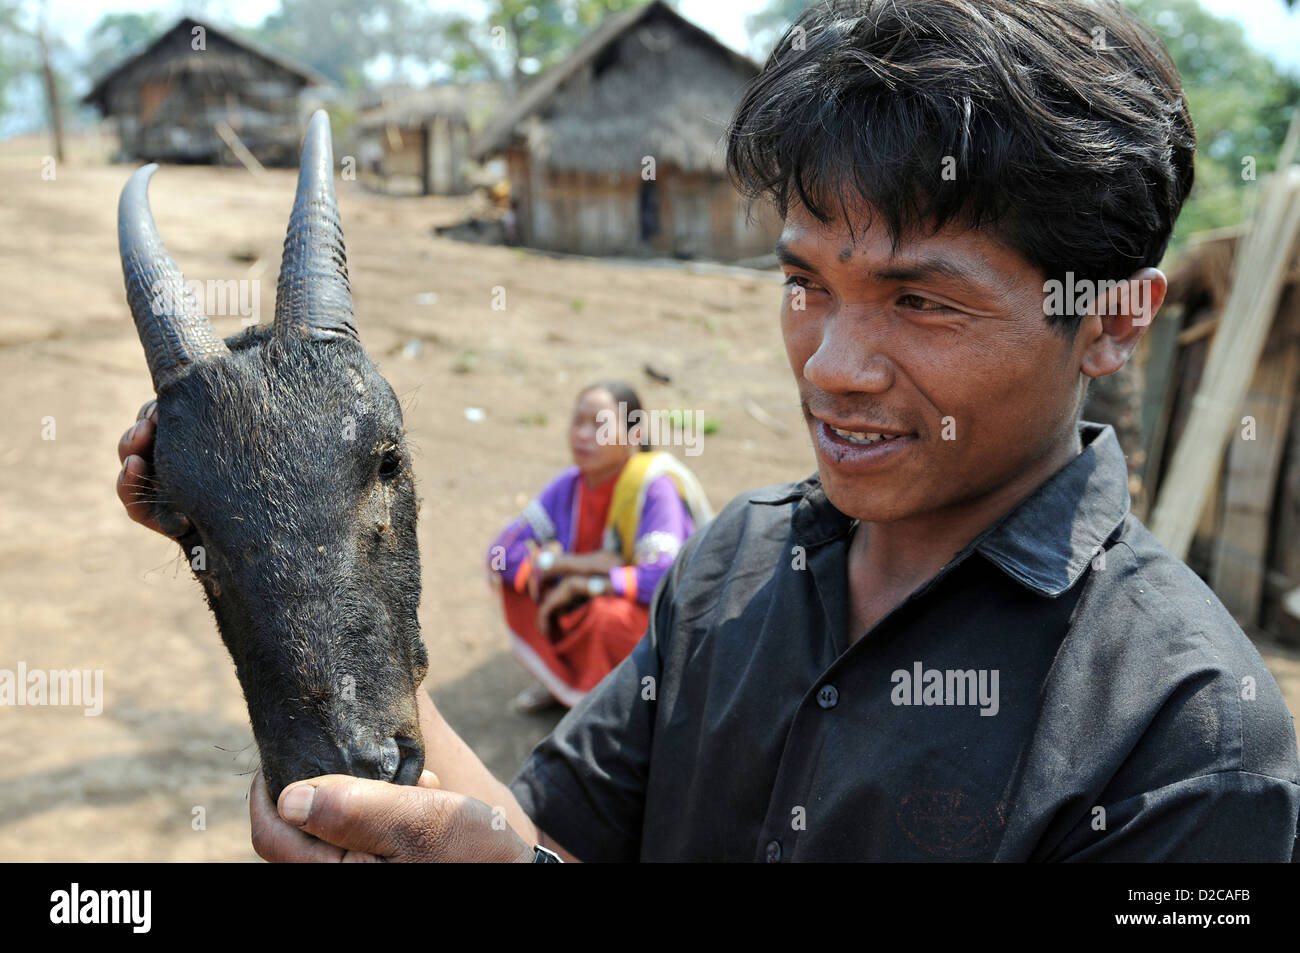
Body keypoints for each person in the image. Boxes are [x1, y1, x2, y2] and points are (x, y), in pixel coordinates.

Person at [118, 0, 1300, 862]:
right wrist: (297, 530)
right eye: (805, 283)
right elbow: (527, 834)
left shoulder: (1189, 735)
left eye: (921, 300)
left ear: (1109, 323)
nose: (832, 366)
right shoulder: (738, 564)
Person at [486, 381, 712, 712]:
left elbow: (664, 577)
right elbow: (500, 553)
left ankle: (626, 707)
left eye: (600, 425)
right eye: (578, 422)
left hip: (655, 614)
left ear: (634, 435)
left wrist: (587, 582)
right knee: (522, 585)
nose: (582, 435)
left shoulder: (652, 487)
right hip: (591, 589)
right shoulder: (570, 485)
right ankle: (563, 682)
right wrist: (564, 566)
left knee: (607, 617)